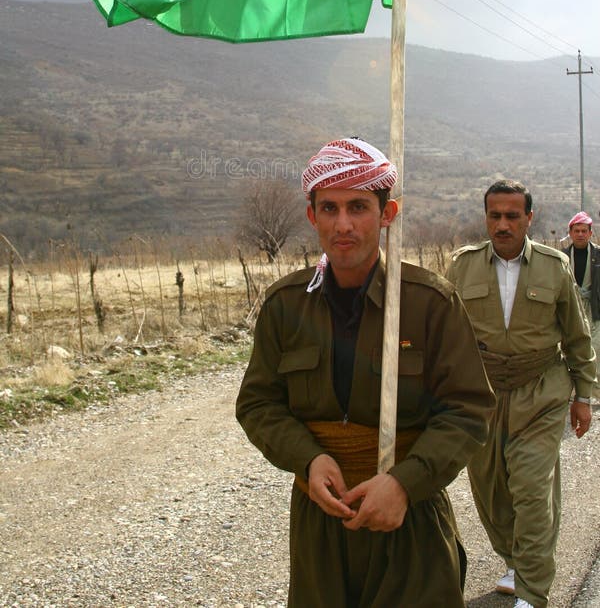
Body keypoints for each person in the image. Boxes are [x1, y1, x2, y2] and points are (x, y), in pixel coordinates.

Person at [236, 137, 495, 608]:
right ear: (312, 215)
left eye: (359, 206)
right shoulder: (284, 306)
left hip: (409, 520)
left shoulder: (429, 304)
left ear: (387, 213)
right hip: (320, 528)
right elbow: (257, 404)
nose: (344, 224)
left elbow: (469, 410)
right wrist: (308, 460)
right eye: (329, 208)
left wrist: (404, 483)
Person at [446, 180, 595, 608]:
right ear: (486, 218)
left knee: (532, 489)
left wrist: (583, 395)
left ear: (530, 218)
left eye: (513, 216)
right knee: (491, 488)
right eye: (495, 216)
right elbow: (446, 334)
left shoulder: (554, 266)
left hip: (541, 391)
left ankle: (532, 591)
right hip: (484, 394)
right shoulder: (463, 267)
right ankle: (513, 559)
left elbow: (577, 335)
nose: (503, 224)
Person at [562, 211, 600, 401]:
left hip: (594, 310)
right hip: (570, 310)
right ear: (570, 232)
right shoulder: (561, 258)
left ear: (590, 233)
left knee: (596, 349)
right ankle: (570, 394)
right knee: (569, 350)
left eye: (584, 231)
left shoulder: (598, 255)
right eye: (576, 230)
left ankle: (596, 394)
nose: (580, 234)